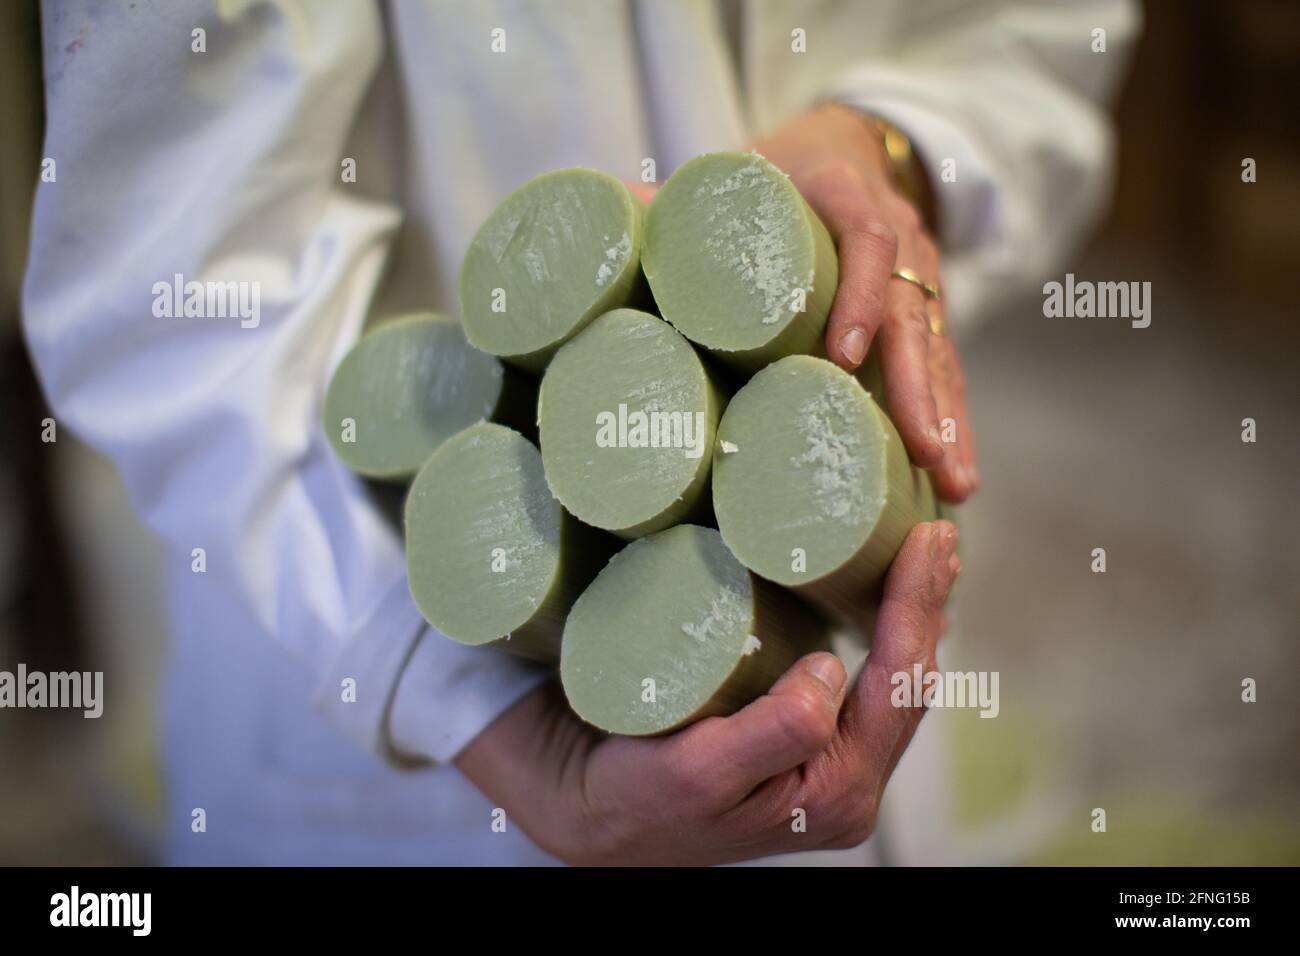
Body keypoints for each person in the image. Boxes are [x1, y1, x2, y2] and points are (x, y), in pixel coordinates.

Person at [22, 0, 1136, 865]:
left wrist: (888, 144)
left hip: (814, 522)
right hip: (381, 637)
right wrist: (467, 706)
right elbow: (162, 275)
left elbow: (1030, 31)